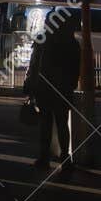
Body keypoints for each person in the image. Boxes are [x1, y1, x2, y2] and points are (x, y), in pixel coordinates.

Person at [26, 11, 80, 170]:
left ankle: (44, 157)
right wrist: (71, 83)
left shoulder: (42, 40)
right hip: (63, 88)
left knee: (45, 124)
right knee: (62, 123)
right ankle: (65, 157)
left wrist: (31, 85)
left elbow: (34, 64)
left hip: (44, 88)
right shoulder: (71, 42)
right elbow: (75, 68)